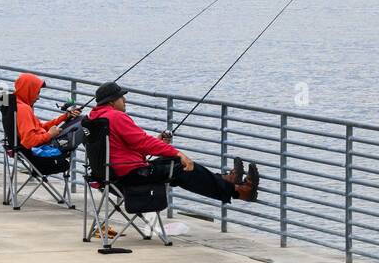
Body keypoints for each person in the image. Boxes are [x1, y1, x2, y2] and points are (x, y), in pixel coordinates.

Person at [86, 82, 258, 203]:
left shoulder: (93, 118)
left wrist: (158, 142)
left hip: (109, 174)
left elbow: (121, 149)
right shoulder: (116, 116)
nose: (125, 101)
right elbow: (142, 142)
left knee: (173, 165)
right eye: (121, 98)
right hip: (130, 175)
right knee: (182, 167)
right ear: (111, 101)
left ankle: (225, 180)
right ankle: (239, 192)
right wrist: (178, 153)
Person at [14, 72, 82, 174]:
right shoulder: (24, 110)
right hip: (43, 153)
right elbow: (29, 141)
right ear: (28, 91)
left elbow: (40, 127)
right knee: (85, 123)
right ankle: (102, 171)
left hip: (39, 146)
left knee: (80, 120)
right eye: (37, 93)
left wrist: (65, 117)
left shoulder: (17, 104)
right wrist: (50, 134)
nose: (38, 97)